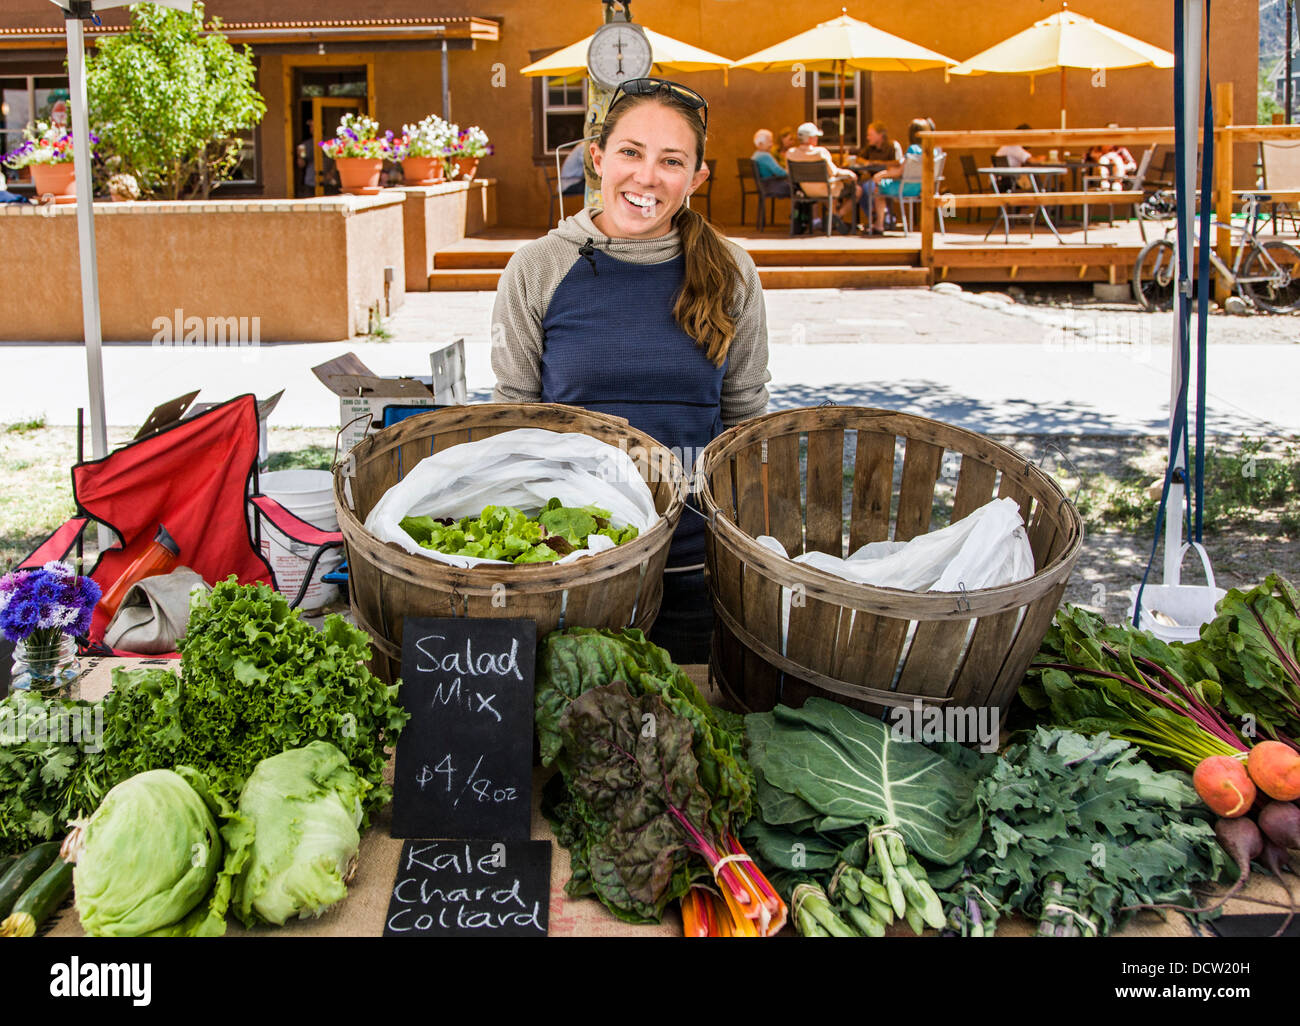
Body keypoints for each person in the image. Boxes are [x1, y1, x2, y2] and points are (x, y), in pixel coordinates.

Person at [491, 77, 771, 663]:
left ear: (696, 178)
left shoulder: (733, 272)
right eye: (630, 152)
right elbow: (514, 419)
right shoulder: (538, 267)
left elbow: (746, 419)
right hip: (568, 560)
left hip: (693, 561)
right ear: (597, 159)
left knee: (688, 729)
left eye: (672, 161)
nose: (647, 178)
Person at [784, 121, 858, 234]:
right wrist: (849, 173)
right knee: (857, 191)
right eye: (815, 137)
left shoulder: (790, 153)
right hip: (827, 189)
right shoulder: (820, 152)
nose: (816, 139)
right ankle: (836, 216)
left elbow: (788, 173)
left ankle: (833, 217)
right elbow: (833, 172)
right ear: (810, 139)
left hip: (806, 191)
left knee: (830, 193)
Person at [872, 117, 940, 235]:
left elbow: (900, 172)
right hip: (924, 188)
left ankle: (879, 224)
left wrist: (881, 174)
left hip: (905, 187)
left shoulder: (913, 149)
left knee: (878, 189)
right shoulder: (933, 150)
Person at [856, 121, 903, 234]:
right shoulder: (870, 148)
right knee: (860, 189)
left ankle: (881, 217)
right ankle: (876, 216)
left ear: (880, 135)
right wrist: (868, 162)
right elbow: (859, 159)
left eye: (870, 135)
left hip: (888, 178)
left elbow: (898, 162)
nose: (868, 138)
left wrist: (880, 163)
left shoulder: (892, 146)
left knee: (869, 187)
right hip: (874, 178)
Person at [750, 128, 792, 206]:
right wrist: (790, 172)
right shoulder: (765, 156)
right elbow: (780, 172)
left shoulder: (756, 155)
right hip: (772, 186)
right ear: (760, 144)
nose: (771, 145)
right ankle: (798, 216)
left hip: (765, 186)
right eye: (769, 142)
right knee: (800, 189)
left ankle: (796, 215)